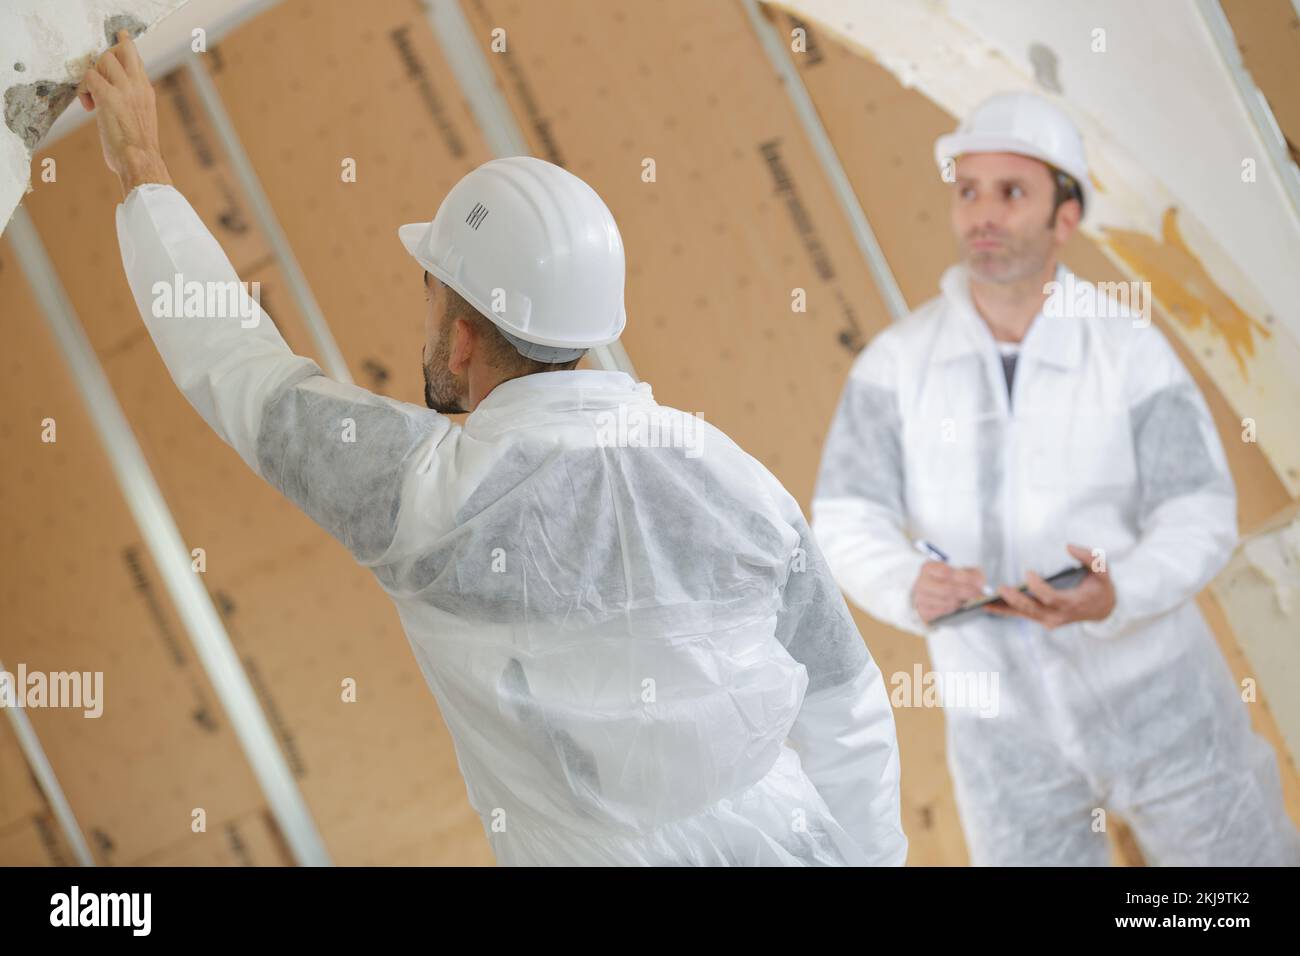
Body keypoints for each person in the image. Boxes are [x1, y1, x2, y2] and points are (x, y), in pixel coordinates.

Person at [81, 32, 907, 866]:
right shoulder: (740, 484)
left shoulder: (429, 504)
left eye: (431, 297)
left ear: (464, 338)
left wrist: (142, 168)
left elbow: (235, 366)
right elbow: (848, 702)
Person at [813, 90, 1300, 866]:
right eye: (968, 191)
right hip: (1000, 724)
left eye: (1011, 193)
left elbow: (1200, 506)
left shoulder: (1126, 347)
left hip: (1158, 699)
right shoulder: (897, 365)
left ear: (1064, 216)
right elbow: (844, 513)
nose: (982, 215)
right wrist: (909, 585)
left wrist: (1120, 592)